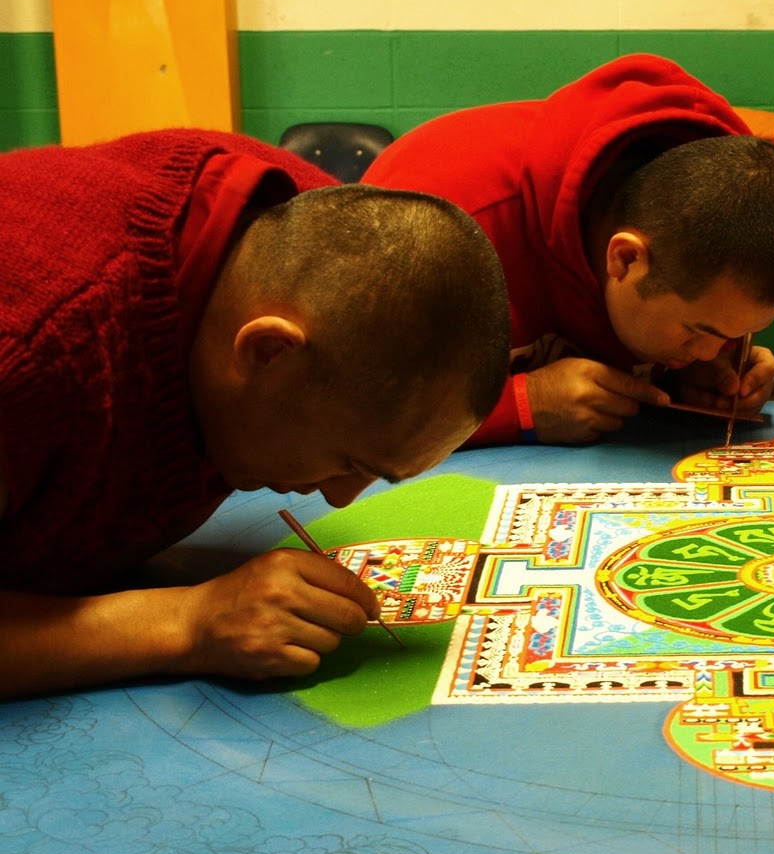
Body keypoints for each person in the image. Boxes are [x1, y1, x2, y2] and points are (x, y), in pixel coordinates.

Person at [0, 128, 510, 699]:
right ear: (268, 352)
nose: (341, 499)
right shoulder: (31, 350)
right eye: (348, 460)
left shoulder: (313, 245)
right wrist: (187, 622)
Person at [362, 53, 774, 446]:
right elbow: (337, 406)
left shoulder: (701, 232)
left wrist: (699, 372)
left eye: (735, 334)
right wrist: (519, 407)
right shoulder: (432, 223)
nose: (710, 350)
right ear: (626, 259)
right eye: (700, 330)